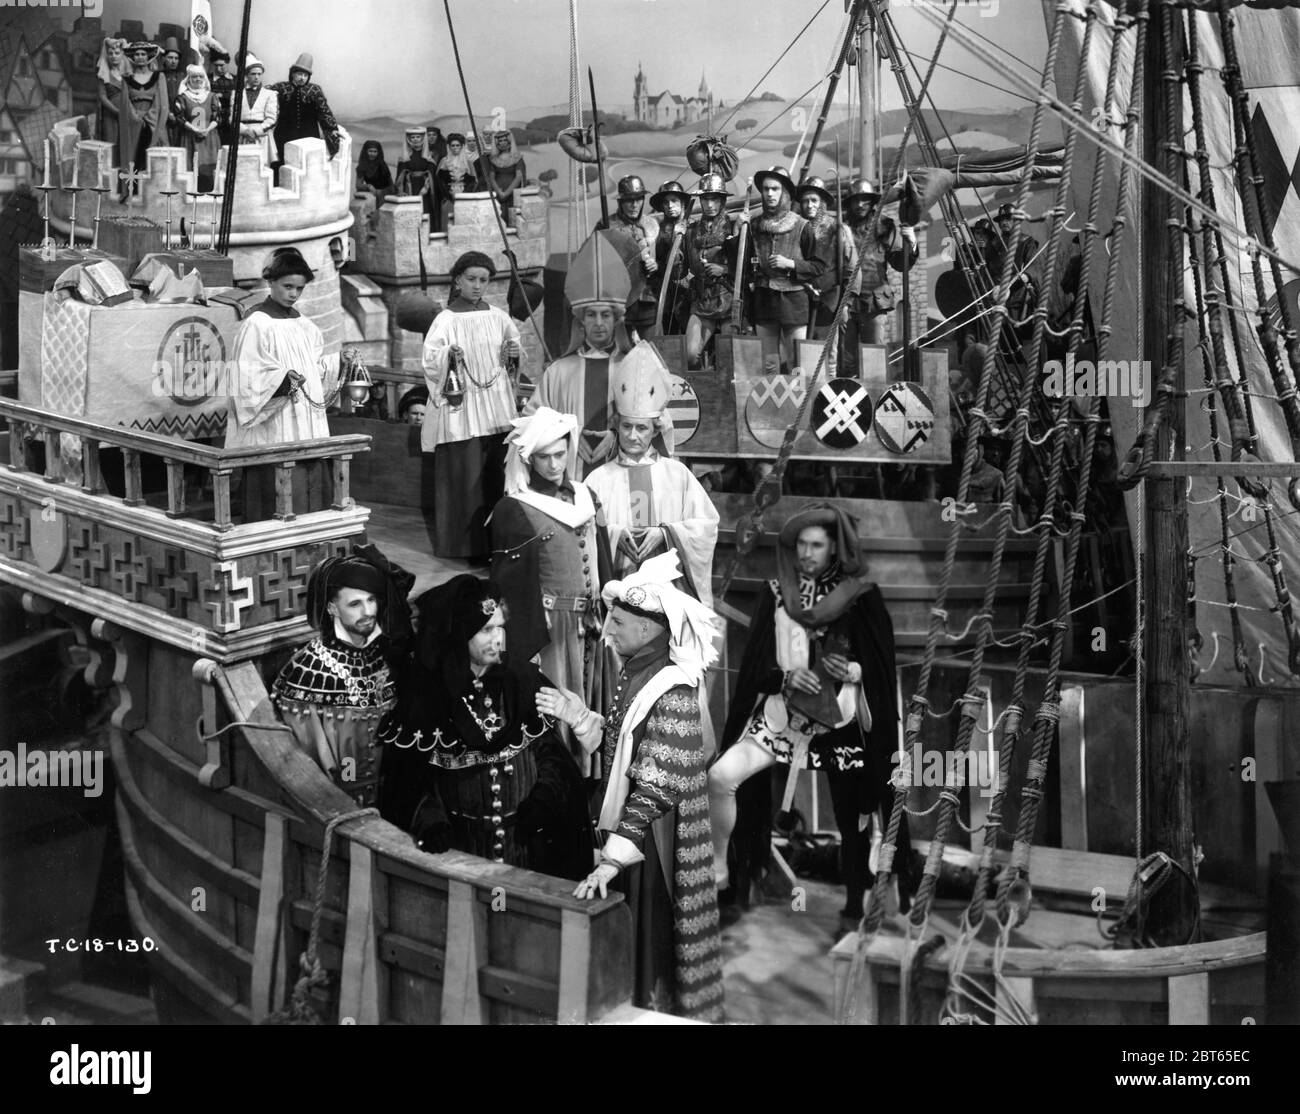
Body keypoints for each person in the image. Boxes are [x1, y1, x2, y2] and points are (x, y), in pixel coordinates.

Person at [541, 551, 725, 1022]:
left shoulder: (674, 691)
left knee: (649, 940)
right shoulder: (639, 671)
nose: (606, 633)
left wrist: (612, 859)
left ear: (645, 630)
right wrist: (579, 717)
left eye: (616, 624)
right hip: (634, 836)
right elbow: (626, 748)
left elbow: (657, 788)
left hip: (655, 848)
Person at [708, 504, 908, 936]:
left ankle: (856, 902)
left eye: (816, 544)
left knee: (852, 811)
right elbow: (756, 663)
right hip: (783, 717)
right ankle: (720, 874)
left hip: (840, 720)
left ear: (834, 547)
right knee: (721, 776)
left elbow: (880, 660)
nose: (807, 553)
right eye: (801, 544)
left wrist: (854, 671)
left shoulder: (861, 595)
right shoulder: (776, 592)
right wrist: (783, 676)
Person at [377, 575, 592, 879]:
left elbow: (551, 754)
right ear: (460, 634)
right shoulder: (425, 697)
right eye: (486, 630)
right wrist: (427, 817)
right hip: (460, 857)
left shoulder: (524, 681)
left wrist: (547, 794)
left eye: (500, 627)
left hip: (526, 852)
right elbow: (405, 777)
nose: (498, 639)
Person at [489, 407, 613, 771]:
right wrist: (525, 645)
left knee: (595, 701)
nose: (555, 464)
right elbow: (509, 588)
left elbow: (602, 558)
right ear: (529, 459)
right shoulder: (513, 509)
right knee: (556, 707)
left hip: (591, 623)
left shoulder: (586, 496)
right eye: (545, 457)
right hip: (551, 629)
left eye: (561, 454)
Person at [273, 547, 413, 807]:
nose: (368, 611)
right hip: (342, 803)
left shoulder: (386, 656)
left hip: (394, 799)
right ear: (332, 608)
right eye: (355, 604)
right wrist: (350, 788)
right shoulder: (308, 670)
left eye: (372, 600)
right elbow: (321, 760)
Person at [585, 349, 718, 605]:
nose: (633, 436)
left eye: (641, 428)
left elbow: (706, 525)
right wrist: (613, 534)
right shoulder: (598, 479)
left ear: (654, 430)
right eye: (626, 426)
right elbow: (584, 536)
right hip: (616, 592)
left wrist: (666, 533)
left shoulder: (677, 474)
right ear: (617, 426)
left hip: (667, 594)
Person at [420, 250, 521, 559]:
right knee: (465, 480)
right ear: (458, 280)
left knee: (495, 477)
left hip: (496, 406)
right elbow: (430, 360)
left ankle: (497, 545)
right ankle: (464, 547)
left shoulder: (498, 316)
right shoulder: (445, 320)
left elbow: (514, 359)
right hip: (461, 408)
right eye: (471, 279)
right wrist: (449, 354)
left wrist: (513, 353)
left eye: (484, 280)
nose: (478, 286)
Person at [226, 247, 339, 519]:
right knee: (276, 498)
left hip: (307, 421)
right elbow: (246, 379)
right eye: (288, 286)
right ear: (271, 282)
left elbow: (315, 371)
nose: (293, 294)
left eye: (299, 289)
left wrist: (339, 363)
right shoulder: (257, 324)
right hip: (276, 423)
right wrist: (282, 380)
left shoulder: (306, 326)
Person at [523, 230, 642, 479]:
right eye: (591, 314)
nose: (599, 323)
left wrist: (620, 436)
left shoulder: (635, 368)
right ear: (580, 320)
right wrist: (569, 435)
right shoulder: (558, 371)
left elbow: (658, 424)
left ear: (617, 319)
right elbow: (531, 423)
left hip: (622, 480)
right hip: (570, 480)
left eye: (606, 314)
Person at [745, 165, 825, 373]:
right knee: (769, 365)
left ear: (785, 193)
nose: (770, 194)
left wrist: (790, 264)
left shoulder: (802, 226)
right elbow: (743, 261)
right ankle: (772, 407)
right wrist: (739, 227)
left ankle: (799, 407)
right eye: (766, 189)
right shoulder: (753, 226)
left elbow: (817, 266)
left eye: (775, 189)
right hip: (764, 301)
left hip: (794, 302)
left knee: (796, 363)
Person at [841, 178, 916, 377]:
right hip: (845, 303)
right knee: (846, 361)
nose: (859, 205)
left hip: (873, 302)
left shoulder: (884, 226)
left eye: (864, 200)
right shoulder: (840, 228)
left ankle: (876, 403)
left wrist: (912, 244)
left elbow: (901, 263)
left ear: (872, 201)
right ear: (849, 203)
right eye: (855, 200)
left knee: (874, 361)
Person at [684, 173, 739, 369]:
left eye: (714, 198)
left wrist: (724, 269)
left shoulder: (734, 226)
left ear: (722, 200)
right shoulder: (690, 231)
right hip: (701, 302)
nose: (709, 204)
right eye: (705, 198)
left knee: (729, 360)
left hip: (728, 300)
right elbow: (681, 270)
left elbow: (746, 265)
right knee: (689, 356)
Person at [597, 176, 660, 341]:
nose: (634, 205)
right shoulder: (606, 225)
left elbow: (662, 259)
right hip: (619, 299)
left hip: (647, 296)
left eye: (638, 199)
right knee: (621, 356)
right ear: (621, 201)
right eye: (629, 200)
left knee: (652, 352)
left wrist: (655, 265)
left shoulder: (651, 224)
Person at [797, 175, 856, 346]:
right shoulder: (796, 228)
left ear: (822, 201)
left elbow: (851, 268)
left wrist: (845, 304)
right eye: (805, 200)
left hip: (829, 302)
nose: (809, 205)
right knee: (801, 354)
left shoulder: (838, 229)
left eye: (814, 200)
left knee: (827, 356)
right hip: (800, 302)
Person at [270, 53, 342, 170]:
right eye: (299, 74)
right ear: (292, 74)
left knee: (308, 165)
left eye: (305, 75)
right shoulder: (280, 87)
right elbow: (265, 98)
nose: (302, 78)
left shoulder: (315, 90)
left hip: (308, 133)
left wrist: (332, 128)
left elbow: (324, 111)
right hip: (284, 134)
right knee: (283, 164)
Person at [118, 42, 168, 199]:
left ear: (149, 56)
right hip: (133, 125)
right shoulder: (126, 79)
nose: (140, 57)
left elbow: (164, 105)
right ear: (133, 57)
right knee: (133, 157)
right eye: (137, 54)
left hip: (154, 124)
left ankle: (155, 196)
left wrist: (149, 119)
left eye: (143, 54)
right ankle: (131, 194)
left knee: (154, 160)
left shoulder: (159, 76)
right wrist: (136, 119)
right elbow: (125, 104)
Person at [649, 180, 692, 335]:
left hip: (692, 294)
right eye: (666, 202)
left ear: (682, 203)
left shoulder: (693, 227)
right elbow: (657, 262)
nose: (670, 206)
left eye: (674, 201)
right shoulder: (657, 232)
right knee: (670, 336)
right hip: (666, 294)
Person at [173, 64, 220, 193]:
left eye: (200, 76)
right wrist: (194, 129)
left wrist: (207, 130)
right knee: (190, 169)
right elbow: (179, 118)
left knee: (209, 170)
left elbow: (217, 118)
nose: (198, 79)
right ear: (188, 79)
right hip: (189, 137)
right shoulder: (182, 98)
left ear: (204, 79)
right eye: (194, 77)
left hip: (209, 137)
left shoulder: (212, 97)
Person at [236, 53, 279, 167]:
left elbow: (272, 119)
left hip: (262, 137)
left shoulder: (270, 94)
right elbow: (233, 118)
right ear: (246, 75)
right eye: (253, 74)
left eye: (259, 74)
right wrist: (245, 131)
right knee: (243, 167)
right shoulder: (237, 94)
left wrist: (255, 131)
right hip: (243, 136)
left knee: (262, 168)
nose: (256, 77)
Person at [395, 126, 438, 222]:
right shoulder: (404, 157)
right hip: (409, 188)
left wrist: (425, 189)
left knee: (425, 211)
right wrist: (401, 191)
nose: (415, 139)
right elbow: (399, 177)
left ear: (423, 138)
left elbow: (431, 175)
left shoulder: (428, 157)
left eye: (418, 137)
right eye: (413, 137)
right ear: (409, 139)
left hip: (424, 190)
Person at [436, 132, 479, 228]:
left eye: (458, 145)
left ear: (462, 146)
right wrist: (448, 194)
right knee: (448, 222)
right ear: (449, 146)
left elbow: (474, 181)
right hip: (448, 199)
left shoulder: (468, 161)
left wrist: (465, 192)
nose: (455, 148)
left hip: (464, 198)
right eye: (453, 145)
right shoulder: (444, 161)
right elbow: (438, 181)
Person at [485, 129, 526, 225]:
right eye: (500, 141)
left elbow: (518, 177)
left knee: (512, 218)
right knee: (499, 217)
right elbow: (491, 177)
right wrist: (499, 192)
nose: (502, 143)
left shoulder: (517, 157)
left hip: (512, 193)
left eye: (504, 140)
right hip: (498, 193)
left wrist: (506, 193)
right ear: (497, 143)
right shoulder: (493, 159)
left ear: (509, 141)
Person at [96, 36, 127, 146]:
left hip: (127, 112)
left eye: (117, 53)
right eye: (110, 53)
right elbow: (102, 96)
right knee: (111, 143)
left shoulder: (127, 74)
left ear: (122, 54)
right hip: (110, 115)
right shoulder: (103, 74)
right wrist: (117, 111)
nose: (113, 56)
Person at [207, 49, 237, 148]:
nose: (219, 69)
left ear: (227, 63)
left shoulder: (236, 80)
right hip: (213, 119)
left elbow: (240, 97)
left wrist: (222, 95)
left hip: (231, 119)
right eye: (216, 65)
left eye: (222, 65)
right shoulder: (207, 79)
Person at [159, 37, 185, 148]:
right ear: (164, 59)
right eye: (170, 57)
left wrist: (179, 114)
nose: (173, 61)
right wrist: (168, 112)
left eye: (176, 58)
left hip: (179, 117)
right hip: (163, 115)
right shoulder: (159, 75)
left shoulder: (182, 76)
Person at [355, 139, 393, 203]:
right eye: (370, 151)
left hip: (386, 193)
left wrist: (380, 192)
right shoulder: (362, 166)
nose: (372, 154)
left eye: (375, 152)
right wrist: (368, 186)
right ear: (365, 152)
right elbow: (358, 185)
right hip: (372, 193)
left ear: (378, 153)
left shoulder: (383, 165)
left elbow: (391, 184)